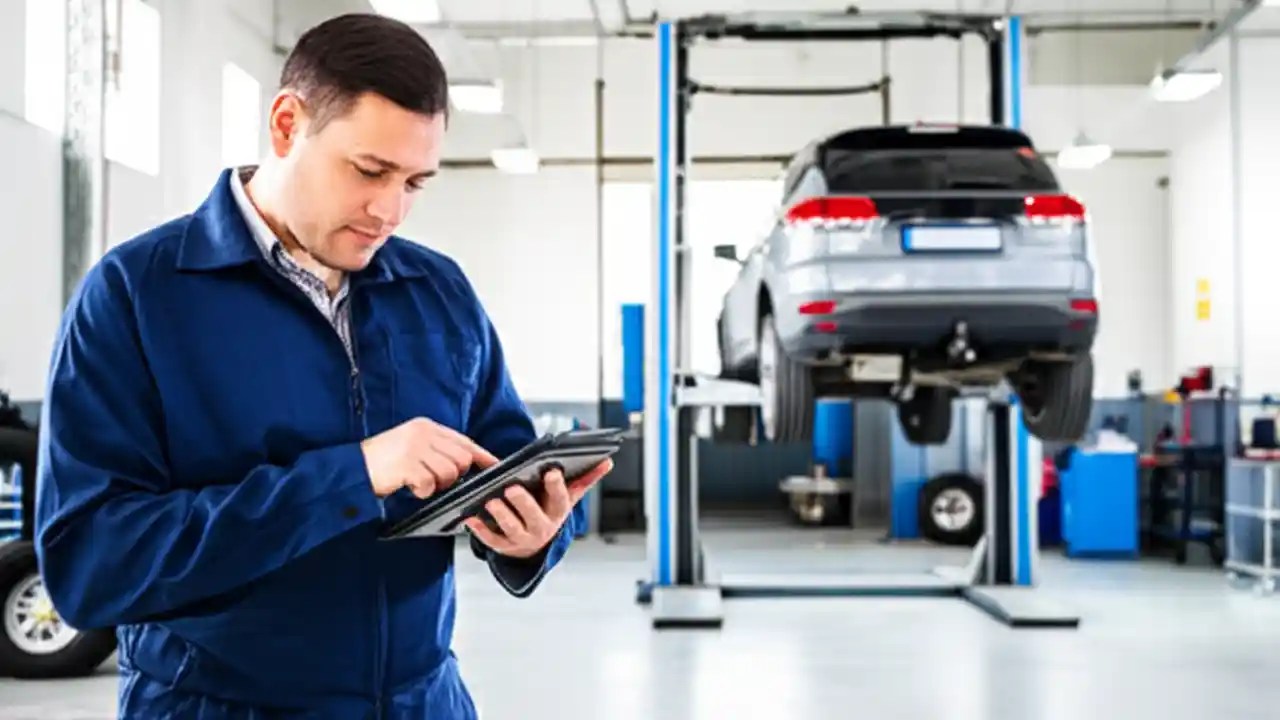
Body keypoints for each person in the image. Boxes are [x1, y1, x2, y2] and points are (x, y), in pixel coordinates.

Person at [34, 12, 611, 719]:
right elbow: (91, 567)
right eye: (369, 171)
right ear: (287, 125)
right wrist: (354, 476)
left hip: (424, 702)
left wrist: (535, 535)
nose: (389, 211)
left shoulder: (438, 291)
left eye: (415, 183)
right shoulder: (138, 295)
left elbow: (508, 457)